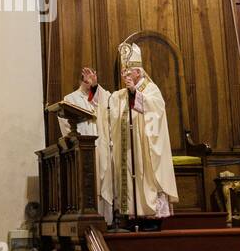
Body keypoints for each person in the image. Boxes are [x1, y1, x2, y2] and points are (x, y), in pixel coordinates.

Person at [108, 42, 179, 230]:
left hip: (146, 149)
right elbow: (113, 108)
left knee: (146, 177)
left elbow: (157, 109)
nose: (124, 76)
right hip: (131, 150)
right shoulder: (122, 94)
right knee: (133, 179)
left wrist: (135, 93)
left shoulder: (151, 89)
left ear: (138, 72)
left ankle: (152, 218)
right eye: (123, 72)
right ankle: (134, 216)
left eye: (128, 72)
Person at [55, 68, 115, 223]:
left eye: (93, 77)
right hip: (83, 149)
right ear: (81, 80)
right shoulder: (70, 99)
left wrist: (95, 86)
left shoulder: (103, 96)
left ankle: (106, 220)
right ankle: (87, 218)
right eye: (87, 78)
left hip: (102, 146)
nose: (90, 80)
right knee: (87, 181)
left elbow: (111, 110)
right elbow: (66, 127)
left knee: (103, 180)